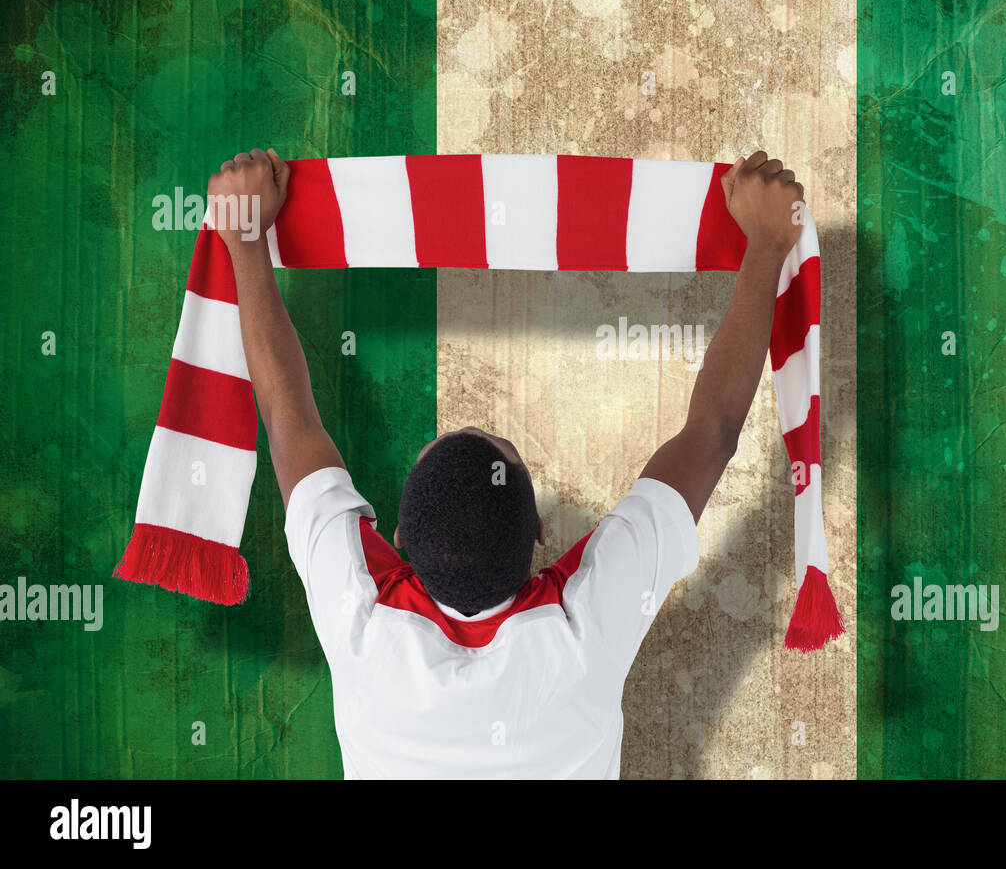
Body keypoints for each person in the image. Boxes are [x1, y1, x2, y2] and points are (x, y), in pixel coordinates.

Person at [209, 148, 806, 778]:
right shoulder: (573, 628)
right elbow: (708, 434)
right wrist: (767, 244)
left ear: (398, 541)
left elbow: (287, 418)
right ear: (546, 538)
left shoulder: (371, 622)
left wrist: (245, 240)